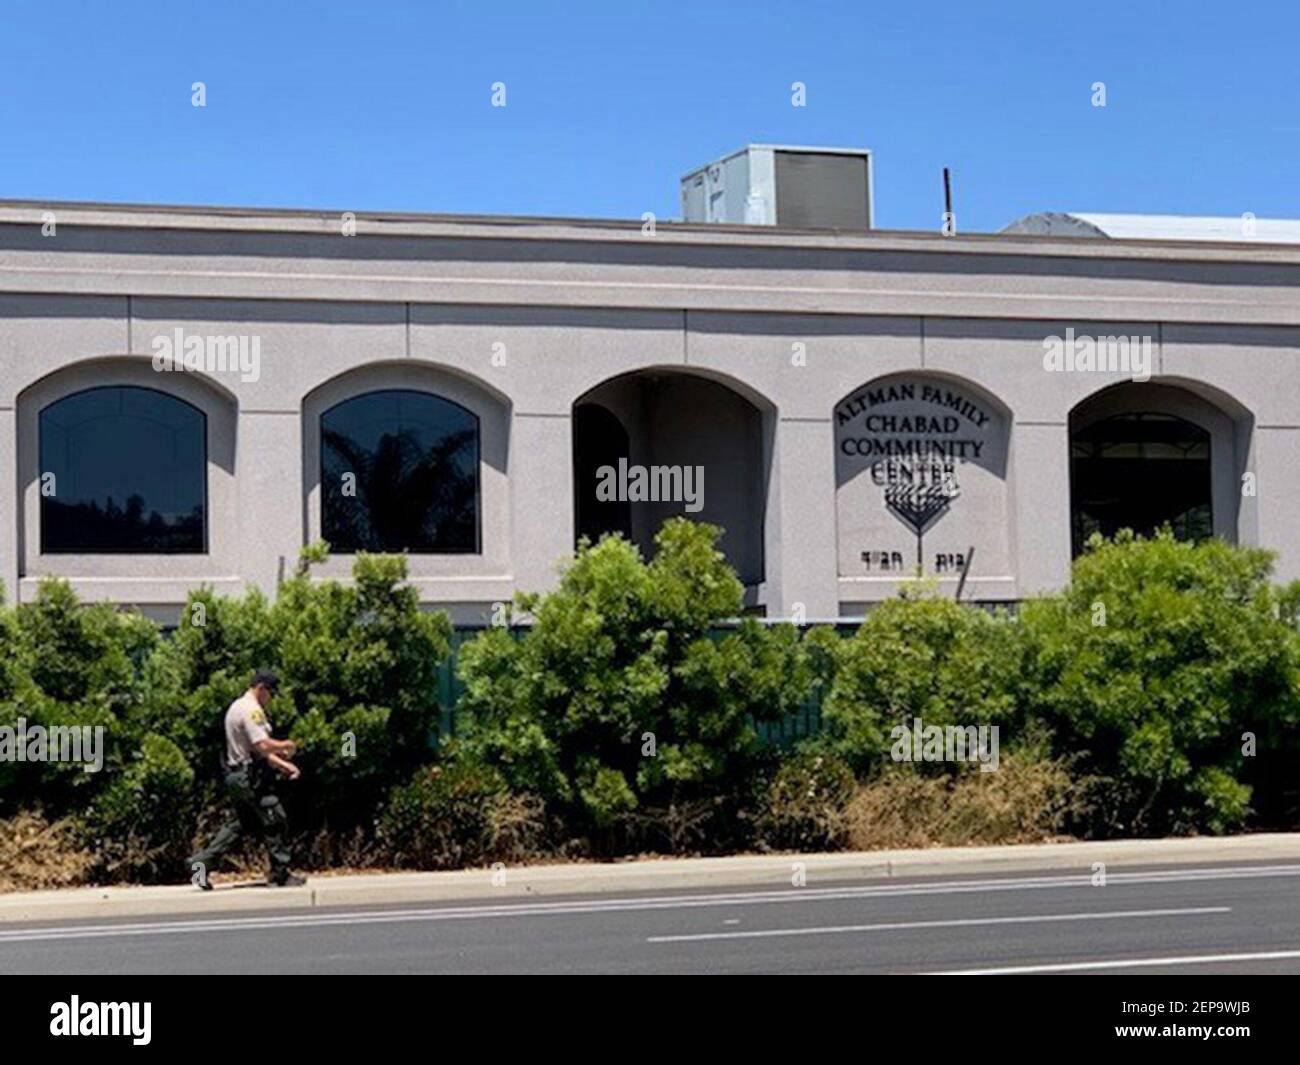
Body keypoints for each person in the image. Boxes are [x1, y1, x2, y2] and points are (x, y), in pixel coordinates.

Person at [187, 669, 305, 889]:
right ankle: (280, 874)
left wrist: (283, 765)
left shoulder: (237, 707)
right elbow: (262, 745)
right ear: (260, 688)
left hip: (238, 775)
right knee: (274, 817)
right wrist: (287, 745)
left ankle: (200, 863)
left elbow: (255, 748)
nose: (271, 699)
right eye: (270, 693)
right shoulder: (251, 711)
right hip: (249, 777)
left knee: (240, 824)